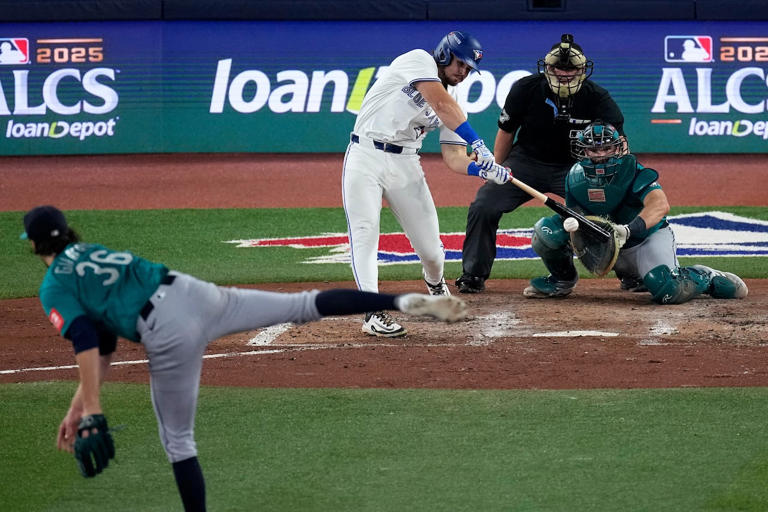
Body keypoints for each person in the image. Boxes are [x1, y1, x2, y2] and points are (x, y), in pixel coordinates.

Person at [21, 205, 467, 511]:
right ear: (68, 231)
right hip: (196, 294)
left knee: (179, 443)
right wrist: (79, 405)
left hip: (166, 331)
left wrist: (94, 410)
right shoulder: (94, 253)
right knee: (302, 304)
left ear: (34, 244)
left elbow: (83, 337)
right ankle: (396, 301)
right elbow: (102, 345)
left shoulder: (54, 286)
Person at [343, 30, 511, 337]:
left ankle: (435, 286)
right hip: (365, 155)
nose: (463, 72)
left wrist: (483, 170)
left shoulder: (456, 103)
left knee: (432, 251)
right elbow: (441, 104)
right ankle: (371, 312)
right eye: (460, 63)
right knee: (365, 233)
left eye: (469, 69)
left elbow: (454, 157)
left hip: (406, 163)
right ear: (445, 54)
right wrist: (480, 142)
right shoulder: (417, 60)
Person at [456, 33, 625, 294]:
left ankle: (629, 273)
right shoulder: (526, 88)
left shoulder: (598, 98)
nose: (565, 73)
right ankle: (473, 274)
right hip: (526, 161)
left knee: (609, 210)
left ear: (582, 70)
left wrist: (608, 182)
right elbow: (506, 130)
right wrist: (495, 169)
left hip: (576, 168)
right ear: (547, 68)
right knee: (484, 204)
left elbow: (617, 142)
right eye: (559, 67)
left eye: (571, 68)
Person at [523, 121, 748, 303]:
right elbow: (575, 215)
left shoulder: (633, 171)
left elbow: (660, 205)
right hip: (607, 244)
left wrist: (630, 230)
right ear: (583, 151)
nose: (600, 155)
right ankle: (562, 281)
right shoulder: (575, 177)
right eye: (593, 149)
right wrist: (575, 231)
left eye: (606, 148)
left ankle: (705, 276)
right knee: (545, 232)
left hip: (644, 240)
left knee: (667, 290)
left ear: (617, 148)